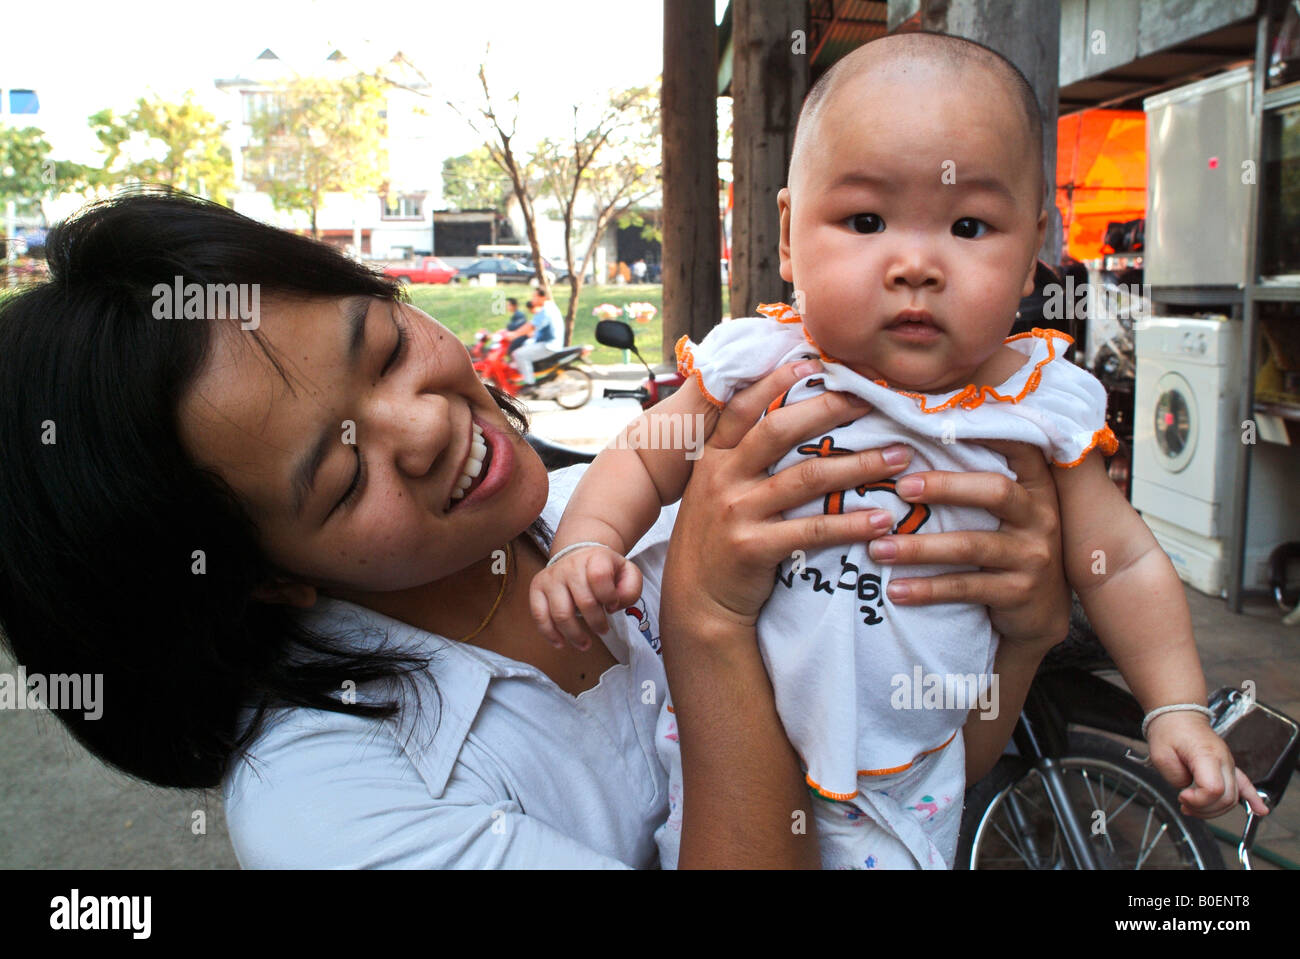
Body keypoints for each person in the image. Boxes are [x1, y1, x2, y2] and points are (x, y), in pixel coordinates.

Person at [0, 189, 1079, 869]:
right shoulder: (335, 808)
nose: (426, 421)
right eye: (338, 474)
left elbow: (892, 788)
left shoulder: (599, 511)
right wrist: (703, 622)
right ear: (261, 577)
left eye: (380, 346)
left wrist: (1020, 638)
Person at [531, 31, 1266, 870]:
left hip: (917, 774)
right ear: (787, 232)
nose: (915, 263)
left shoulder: (1034, 407)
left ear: (1034, 248)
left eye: (968, 225)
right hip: (732, 743)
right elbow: (642, 454)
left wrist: (1174, 706)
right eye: (867, 220)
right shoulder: (760, 363)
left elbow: (1125, 565)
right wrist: (588, 541)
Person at [511, 289, 560, 388]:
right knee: (524, 347)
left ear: (542, 297)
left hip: (549, 345)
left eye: (534, 297)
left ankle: (530, 384)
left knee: (519, 354)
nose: (532, 299)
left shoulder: (546, 309)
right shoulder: (549, 307)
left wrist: (514, 334)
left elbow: (532, 325)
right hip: (547, 342)